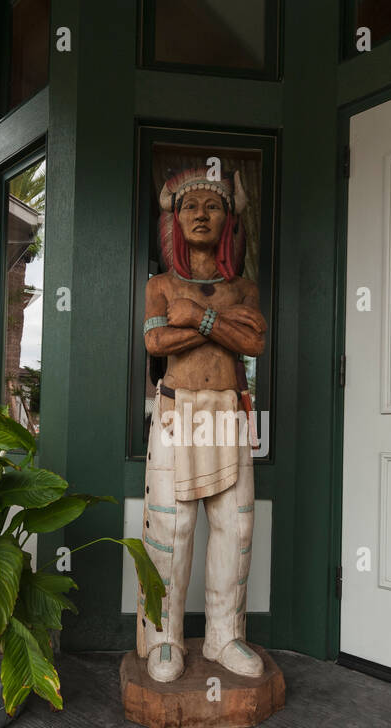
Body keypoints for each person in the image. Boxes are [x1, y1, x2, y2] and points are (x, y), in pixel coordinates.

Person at [136, 166, 267, 683]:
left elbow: (254, 343)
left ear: (228, 219)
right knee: (171, 526)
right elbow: (155, 344)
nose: (200, 215)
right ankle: (164, 638)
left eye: (212, 206)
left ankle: (224, 635)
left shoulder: (244, 288)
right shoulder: (160, 286)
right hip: (176, 410)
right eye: (190, 206)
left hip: (228, 413)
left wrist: (199, 318)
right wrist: (217, 329)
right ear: (174, 217)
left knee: (235, 526)